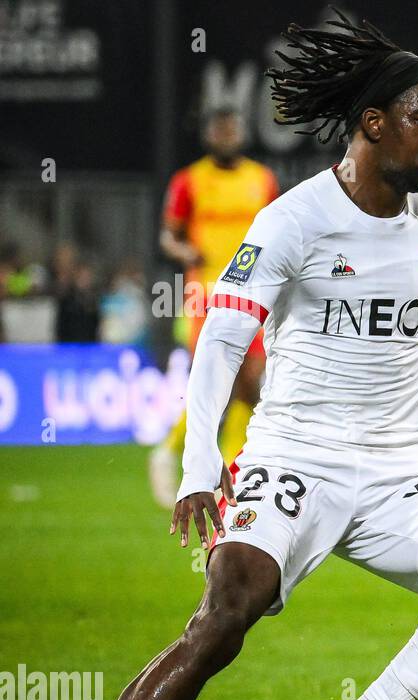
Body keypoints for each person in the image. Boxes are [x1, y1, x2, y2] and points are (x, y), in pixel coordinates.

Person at [32, 11, 418, 700]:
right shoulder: (292, 222)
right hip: (295, 457)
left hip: (396, 472)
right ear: (373, 125)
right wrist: (202, 466)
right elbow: (220, 344)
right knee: (227, 609)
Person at [148, 108, 279, 508]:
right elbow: (168, 236)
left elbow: (279, 229)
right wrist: (186, 249)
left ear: (241, 133)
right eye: (219, 129)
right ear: (208, 136)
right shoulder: (190, 180)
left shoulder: (262, 179)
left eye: (232, 128)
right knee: (214, 381)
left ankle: (234, 468)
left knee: (251, 386)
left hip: (255, 290)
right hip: (205, 294)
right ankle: (169, 450)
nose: (226, 136)